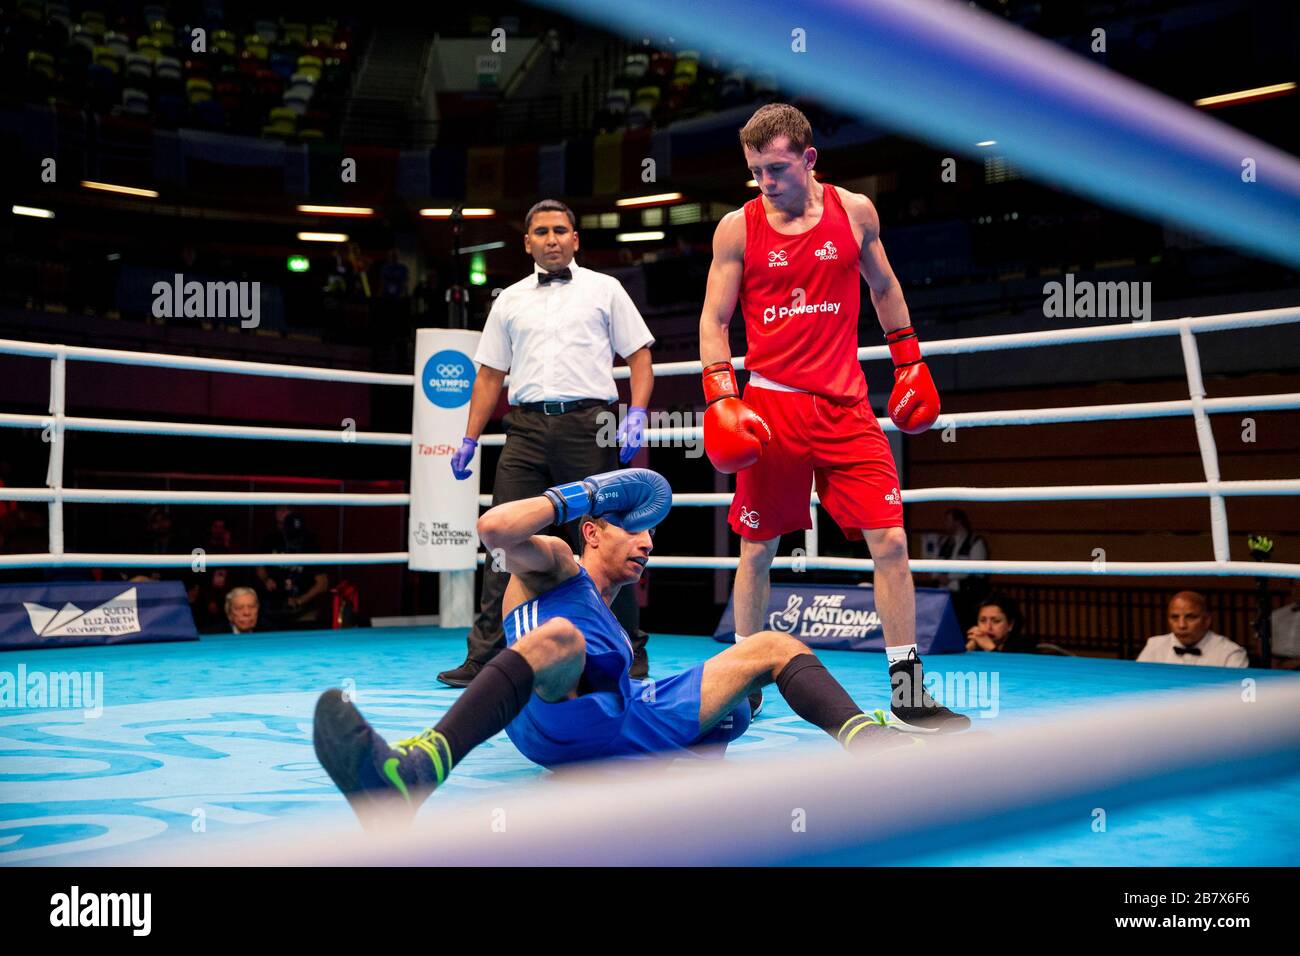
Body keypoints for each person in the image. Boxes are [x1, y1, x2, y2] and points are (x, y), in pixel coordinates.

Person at [313, 468, 920, 827]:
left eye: (652, 531)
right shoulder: (555, 565)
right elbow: (494, 529)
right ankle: (417, 771)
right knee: (560, 637)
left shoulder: (616, 621)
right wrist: (589, 493)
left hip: (622, 719)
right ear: (594, 531)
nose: (648, 542)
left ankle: (873, 745)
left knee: (769, 645)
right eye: (635, 528)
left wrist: (728, 708)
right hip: (548, 713)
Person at [697, 102, 967, 732]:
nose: (766, 182)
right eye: (756, 171)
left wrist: (908, 359)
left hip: (846, 407)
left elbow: (885, 285)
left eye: (778, 169)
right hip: (770, 406)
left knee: (893, 540)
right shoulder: (738, 229)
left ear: (809, 159)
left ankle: (908, 697)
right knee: (759, 547)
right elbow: (714, 320)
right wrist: (721, 395)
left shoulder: (856, 212)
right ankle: (743, 680)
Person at [438, 199, 656, 688]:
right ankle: (485, 658)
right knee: (504, 539)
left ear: (575, 238)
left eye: (561, 230)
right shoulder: (510, 299)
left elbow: (639, 356)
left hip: (589, 421)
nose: (552, 238)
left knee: (607, 537)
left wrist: (637, 411)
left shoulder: (606, 289)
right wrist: (470, 437)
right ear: (528, 242)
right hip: (527, 426)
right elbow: (491, 374)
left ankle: (627, 648)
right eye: (542, 231)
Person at [256, 510, 330, 629]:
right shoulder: (271, 540)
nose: (295, 540)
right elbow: (259, 566)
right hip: (273, 609)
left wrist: (299, 600)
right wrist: (266, 580)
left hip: (304, 612)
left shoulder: (311, 544)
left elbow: (322, 583)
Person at [1136, 591, 1247, 667]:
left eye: (1190, 617)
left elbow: (1238, 697)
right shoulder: (1154, 646)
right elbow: (1137, 685)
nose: (1181, 625)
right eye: (1174, 617)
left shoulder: (1230, 653)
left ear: (1207, 620)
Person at [935, 508, 990, 628]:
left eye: (948, 520)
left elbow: (977, 569)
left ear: (958, 522)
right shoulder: (946, 542)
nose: (945, 524)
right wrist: (939, 576)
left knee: (966, 627)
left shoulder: (975, 541)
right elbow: (936, 564)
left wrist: (949, 577)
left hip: (968, 597)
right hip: (946, 596)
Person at [965, 593, 1037, 654]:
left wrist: (990, 648)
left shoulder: (1024, 647)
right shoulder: (975, 644)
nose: (988, 627)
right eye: (982, 620)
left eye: (996, 621)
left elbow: (1009, 668)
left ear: (1010, 625)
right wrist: (967, 650)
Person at [1264, 579, 1300, 669]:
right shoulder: (1277, 614)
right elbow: (1263, 640)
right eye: (1295, 587)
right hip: (1275, 663)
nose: (1298, 590)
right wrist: (1268, 661)